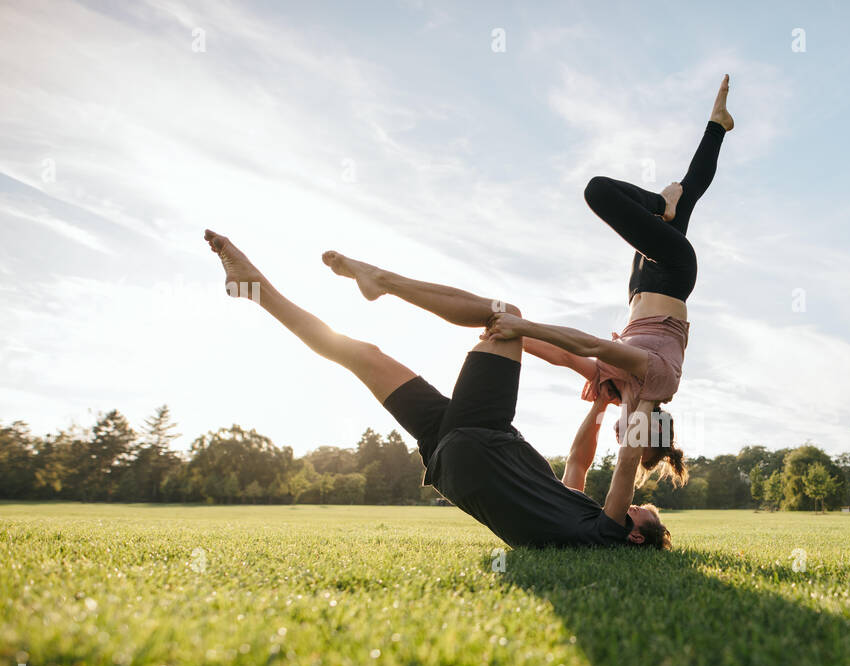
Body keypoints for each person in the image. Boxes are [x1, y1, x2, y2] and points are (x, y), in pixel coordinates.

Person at [202, 229, 671, 549]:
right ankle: (255, 289)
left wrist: (643, 400)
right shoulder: (579, 521)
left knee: (504, 314)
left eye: (639, 513)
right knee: (361, 355)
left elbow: (627, 462)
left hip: (485, 439)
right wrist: (599, 411)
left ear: (634, 536)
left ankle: (382, 280)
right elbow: (577, 463)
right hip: (451, 464)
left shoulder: (606, 535)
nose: (632, 505)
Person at [502, 74, 735, 492]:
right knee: (599, 192)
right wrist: (522, 329)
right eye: (636, 439)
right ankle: (662, 203)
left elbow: (563, 357)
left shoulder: (615, 385)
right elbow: (585, 346)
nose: (624, 439)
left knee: (689, 191)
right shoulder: (659, 384)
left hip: (642, 284)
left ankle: (717, 125)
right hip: (673, 275)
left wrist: (503, 336)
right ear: (649, 427)